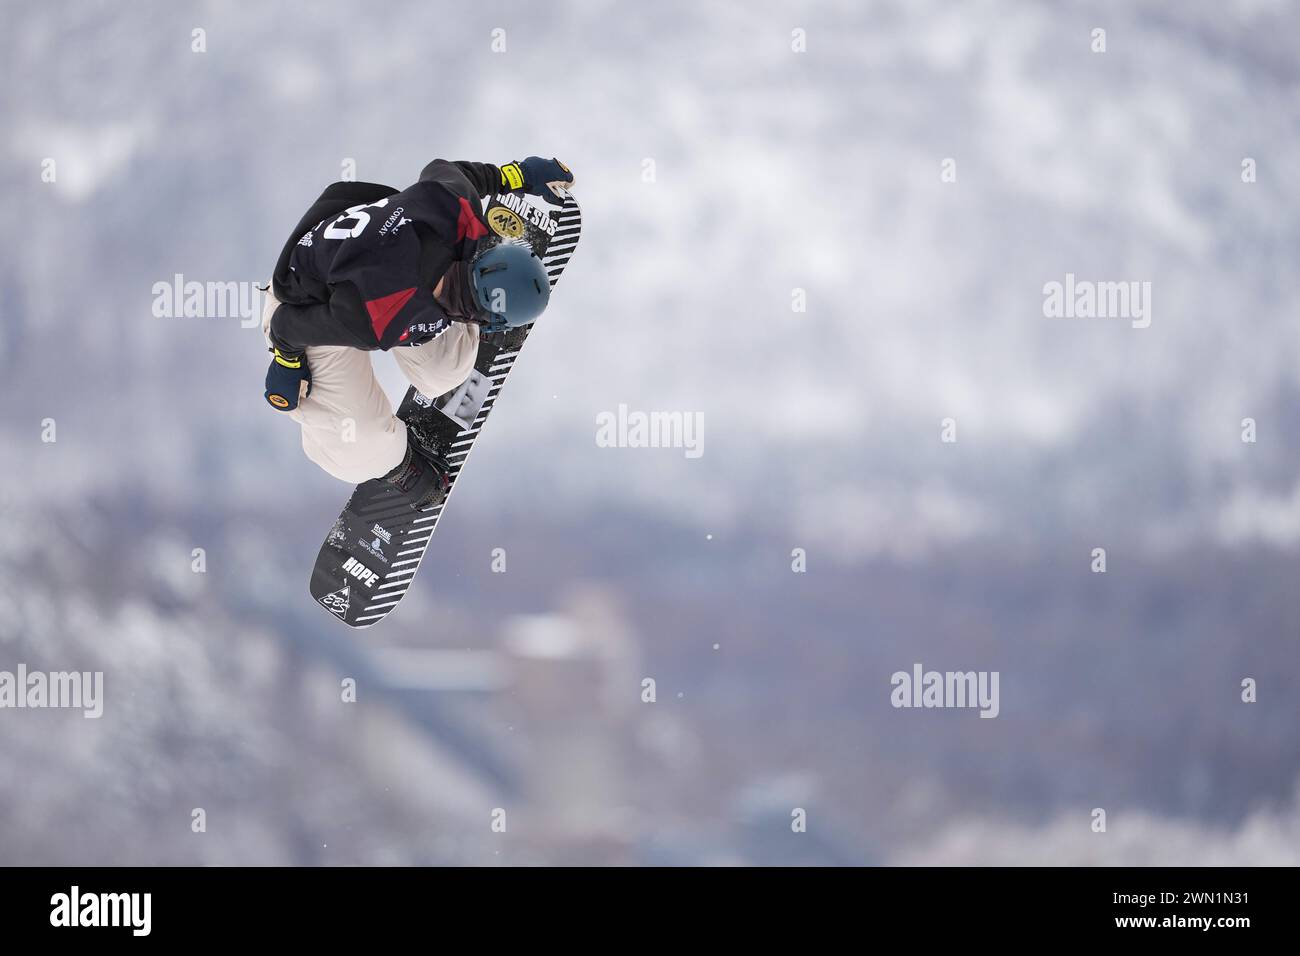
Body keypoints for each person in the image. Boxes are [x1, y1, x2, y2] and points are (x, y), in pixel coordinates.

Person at [261, 156, 574, 509]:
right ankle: (390, 461)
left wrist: (515, 176)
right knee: (363, 446)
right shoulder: (378, 315)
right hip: (305, 310)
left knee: (447, 370)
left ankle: (456, 334)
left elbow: (455, 172)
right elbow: (286, 325)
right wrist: (286, 363)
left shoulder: (458, 213)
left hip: (362, 259)